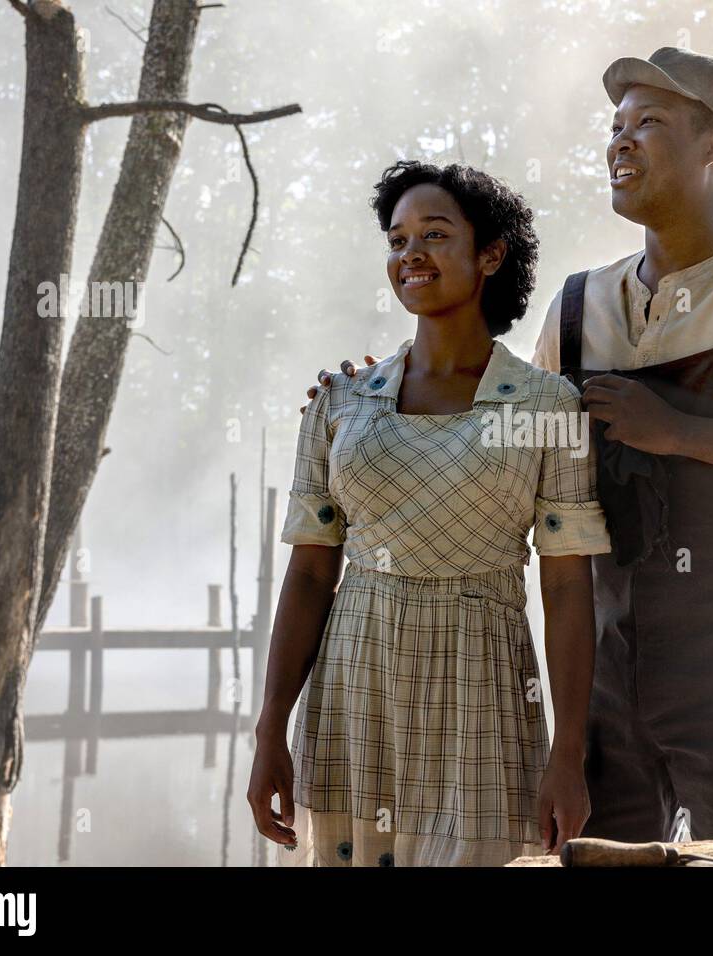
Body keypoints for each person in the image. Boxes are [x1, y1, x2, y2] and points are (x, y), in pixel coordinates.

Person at [313, 47, 713, 844]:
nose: (619, 143)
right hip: (603, 672)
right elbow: (509, 451)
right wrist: (370, 398)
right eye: (615, 126)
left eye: (648, 124)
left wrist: (682, 433)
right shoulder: (582, 303)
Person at [249, 160, 611, 867]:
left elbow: (568, 587)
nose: (410, 253)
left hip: (482, 685)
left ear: (490, 255)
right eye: (396, 239)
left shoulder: (546, 405)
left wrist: (568, 756)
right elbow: (308, 577)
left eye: (435, 234)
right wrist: (269, 731)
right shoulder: (341, 402)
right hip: (356, 684)